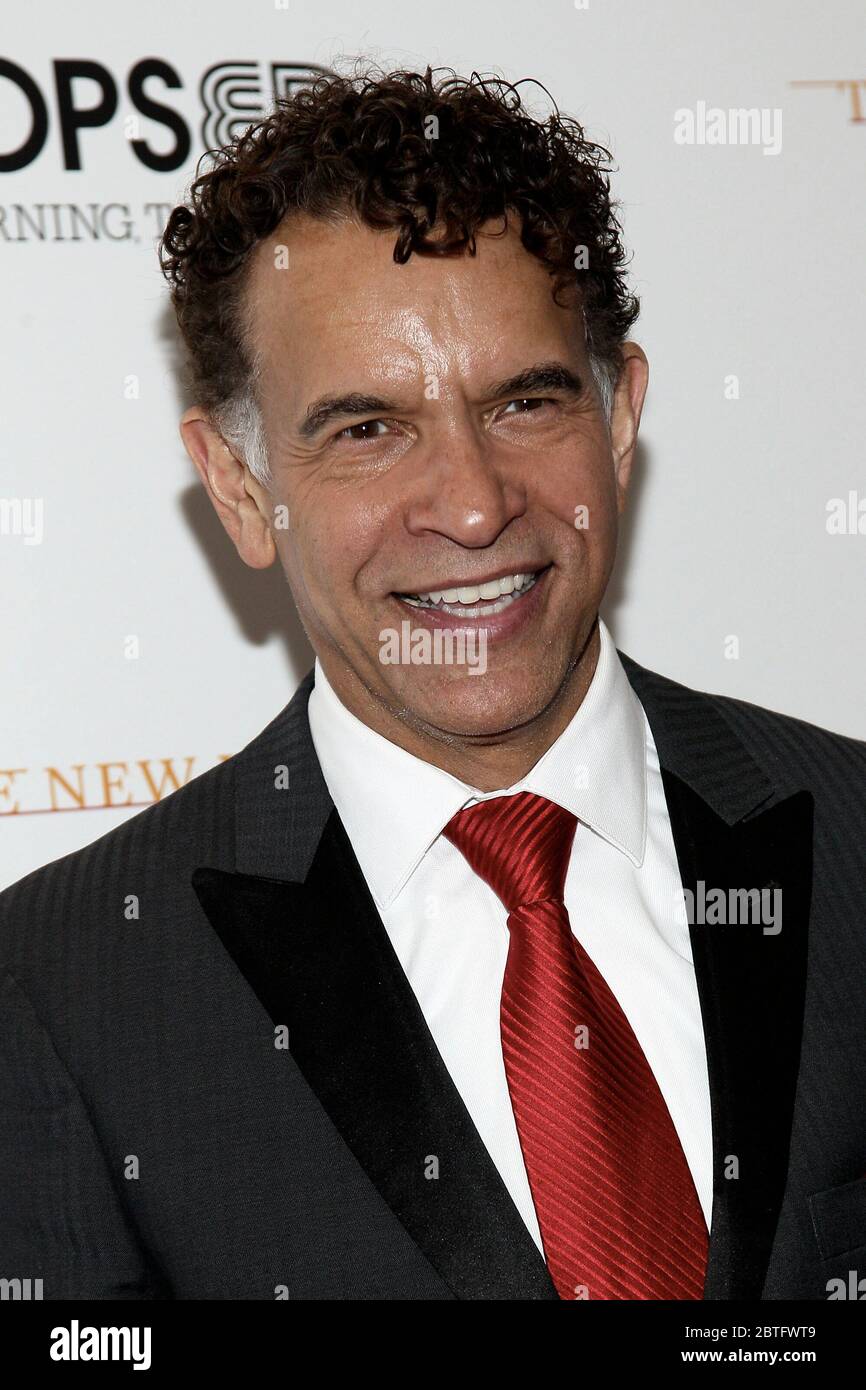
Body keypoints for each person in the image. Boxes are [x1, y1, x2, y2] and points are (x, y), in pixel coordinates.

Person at [1, 65, 864, 1302]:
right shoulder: (60, 995)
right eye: (366, 428)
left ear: (619, 415)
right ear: (242, 489)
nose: (470, 502)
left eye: (524, 400)